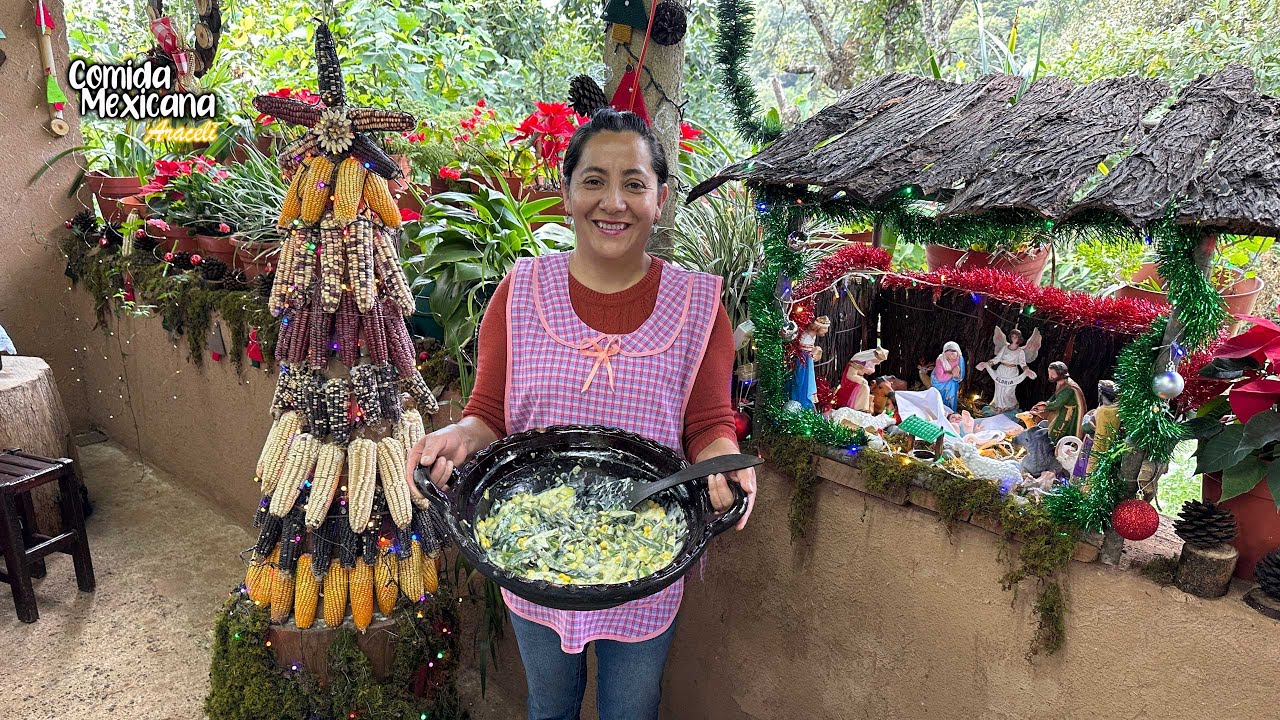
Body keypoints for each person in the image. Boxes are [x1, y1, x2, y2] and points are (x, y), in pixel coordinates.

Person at [404, 108, 756, 720]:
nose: (612, 201)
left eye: (634, 183)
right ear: (565, 194)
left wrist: (722, 461)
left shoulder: (699, 308)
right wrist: (461, 436)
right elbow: (488, 413)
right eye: (593, 180)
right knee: (550, 705)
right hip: (531, 553)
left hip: (645, 556)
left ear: (661, 197)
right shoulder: (520, 290)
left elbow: (707, 427)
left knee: (631, 709)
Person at [975, 327, 1041, 414]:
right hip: (1001, 370)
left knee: (1008, 391)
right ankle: (998, 407)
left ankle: (1008, 407)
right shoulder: (1005, 348)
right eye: (1012, 336)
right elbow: (997, 359)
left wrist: (1027, 370)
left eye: (1016, 337)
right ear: (1010, 337)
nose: (1014, 338)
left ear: (1019, 338)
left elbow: (1023, 364)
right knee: (999, 390)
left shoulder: (1020, 351)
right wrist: (987, 364)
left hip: (1012, 372)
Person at [788, 314, 830, 410]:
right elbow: (803, 349)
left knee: (807, 379)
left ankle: (805, 399)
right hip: (804, 360)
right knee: (803, 379)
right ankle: (802, 400)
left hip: (807, 359)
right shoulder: (808, 334)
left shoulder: (812, 334)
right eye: (824, 329)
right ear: (818, 327)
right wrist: (812, 353)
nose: (826, 331)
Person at [1043, 361, 1087, 443]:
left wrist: (1044, 406)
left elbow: (1057, 404)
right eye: (1049, 372)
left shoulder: (1069, 388)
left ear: (1060, 373)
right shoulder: (1061, 383)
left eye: (1052, 373)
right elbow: (1055, 396)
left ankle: (1053, 446)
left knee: (1056, 430)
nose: (1050, 375)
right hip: (1063, 410)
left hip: (1068, 414)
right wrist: (1047, 402)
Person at [835, 348, 888, 412]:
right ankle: (859, 408)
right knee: (864, 388)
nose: (878, 363)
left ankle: (863, 408)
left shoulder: (866, 362)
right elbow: (850, 375)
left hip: (858, 382)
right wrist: (862, 381)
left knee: (865, 388)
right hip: (851, 383)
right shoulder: (858, 361)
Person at [931, 341, 965, 412]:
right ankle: (941, 409)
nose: (951, 358)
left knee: (953, 384)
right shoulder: (940, 360)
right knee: (941, 395)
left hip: (952, 381)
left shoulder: (960, 359)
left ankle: (951, 410)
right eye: (948, 356)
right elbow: (940, 377)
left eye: (953, 354)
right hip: (939, 383)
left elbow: (960, 375)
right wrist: (952, 374)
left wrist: (956, 376)